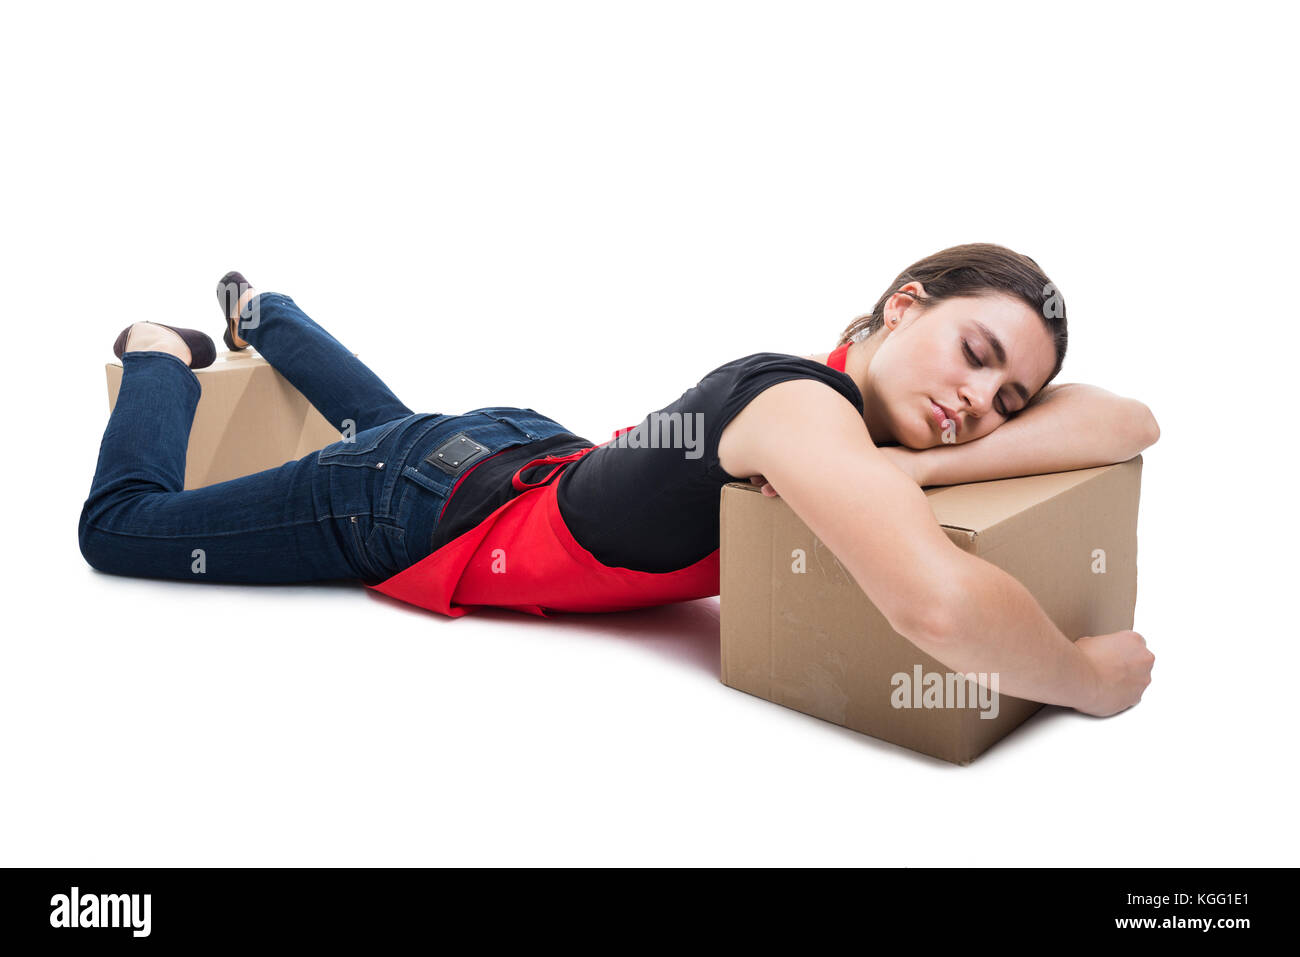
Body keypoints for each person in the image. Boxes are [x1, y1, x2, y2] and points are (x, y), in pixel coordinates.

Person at [78, 243, 1160, 718]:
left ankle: (264, 315)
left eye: (1012, 399)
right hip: (412, 504)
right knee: (123, 528)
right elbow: (936, 605)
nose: (981, 402)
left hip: (508, 455)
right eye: (976, 356)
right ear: (904, 304)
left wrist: (932, 448)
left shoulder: (831, 408)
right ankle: (164, 349)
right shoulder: (801, 413)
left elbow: (1129, 420)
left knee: (404, 431)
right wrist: (1085, 676)